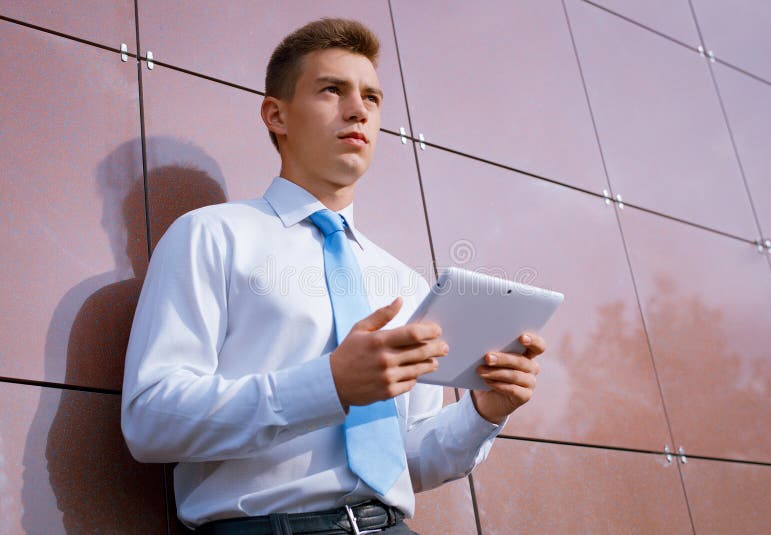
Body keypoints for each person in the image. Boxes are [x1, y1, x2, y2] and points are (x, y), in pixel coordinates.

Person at [121, 18, 546, 534]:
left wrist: (483, 414)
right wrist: (328, 385)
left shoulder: (405, 284)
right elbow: (150, 420)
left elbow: (406, 462)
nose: (358, 109)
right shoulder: (211, 235)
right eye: (332, 89)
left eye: (372, 97)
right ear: (276, 114)